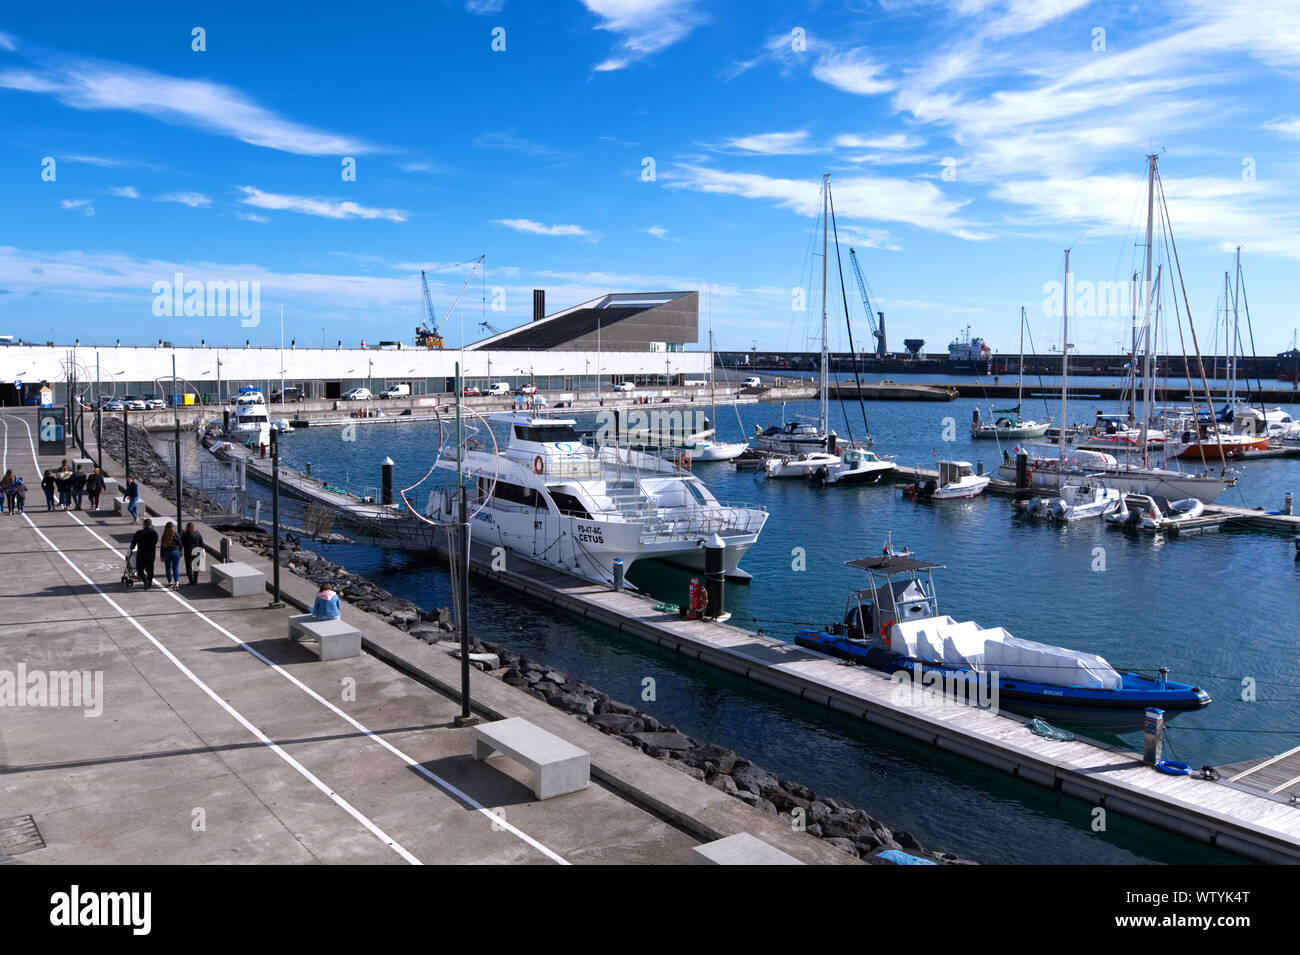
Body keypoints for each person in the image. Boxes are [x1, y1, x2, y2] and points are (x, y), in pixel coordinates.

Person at [130, 518, 159, 589]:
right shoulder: (154, 533)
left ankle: (145, 580)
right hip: (151, 553)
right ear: (151, 524)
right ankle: (149, 582)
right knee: (150, 568)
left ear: (144, 525)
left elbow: (133, 544)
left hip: (141, 553)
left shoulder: (139, 533)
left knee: (139, 568)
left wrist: (132, 547)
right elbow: (155, 542)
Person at [159, 522, 182, 588]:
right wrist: (180, 551)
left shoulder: (164, 535)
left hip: (167, 553)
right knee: (175, 568)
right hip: (175, 552)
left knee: (168, 568)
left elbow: (162, 546)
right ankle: (177, 582)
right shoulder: (176, 534)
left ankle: (170, 582)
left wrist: (161, 556)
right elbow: (180, 543)